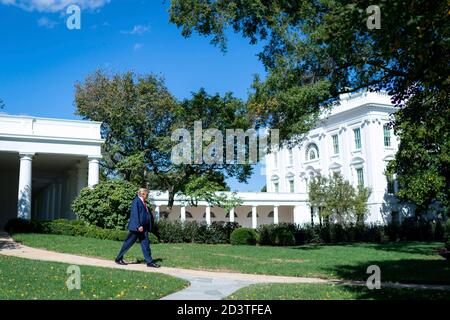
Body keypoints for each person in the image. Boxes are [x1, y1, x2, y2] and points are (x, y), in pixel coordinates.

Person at [115, 188, 160, 268]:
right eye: (146, 194)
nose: (147, 195)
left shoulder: (143, 202)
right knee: (128, 243)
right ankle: (118, 258)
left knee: (146, 244)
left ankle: (149, 262)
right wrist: (138, 225)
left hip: (144, 228)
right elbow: (135, 214)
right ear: (142, 194)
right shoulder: (136, 201)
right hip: (137, 228)